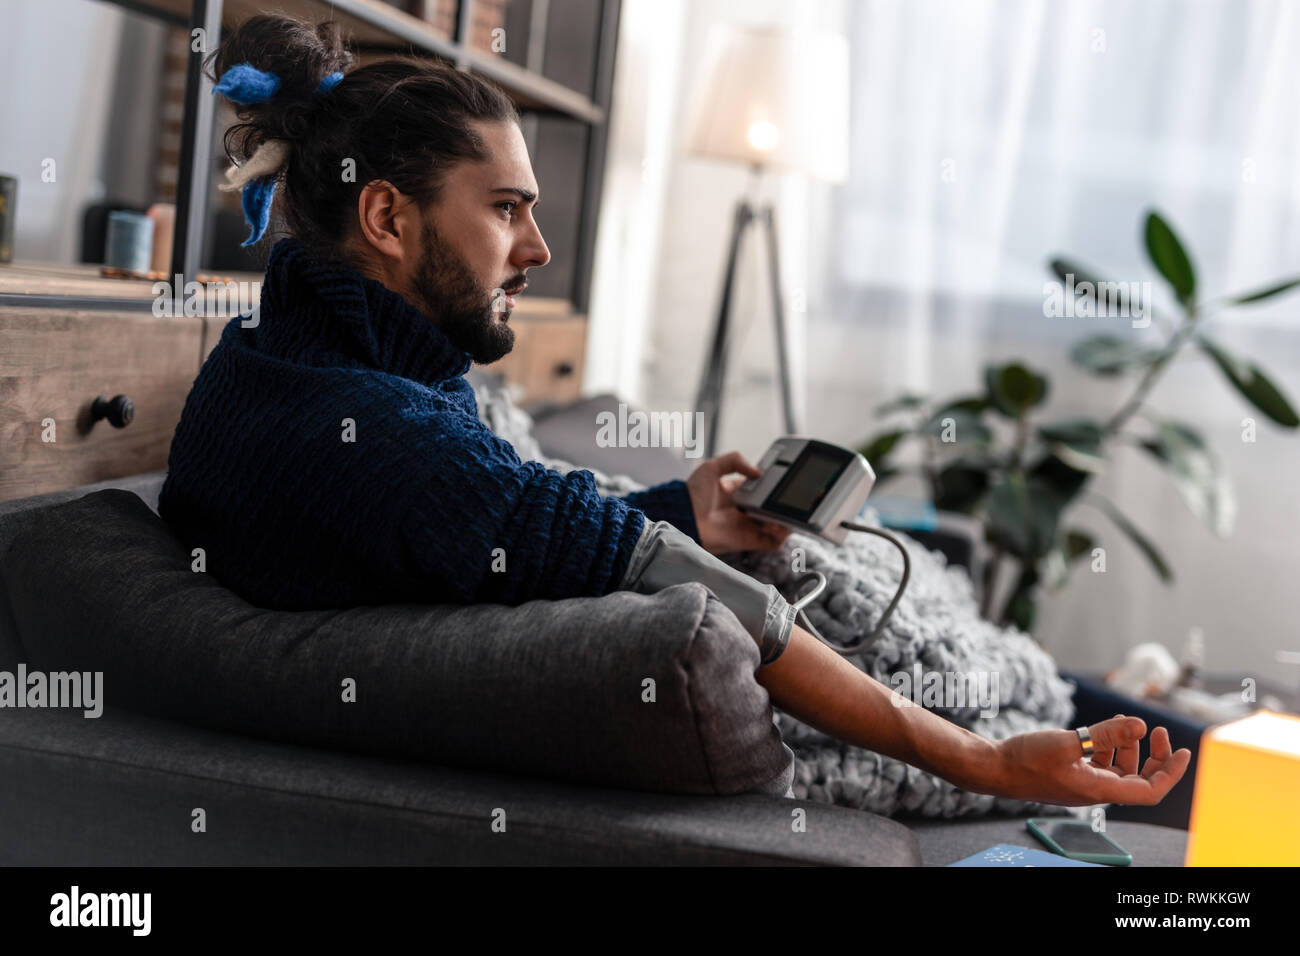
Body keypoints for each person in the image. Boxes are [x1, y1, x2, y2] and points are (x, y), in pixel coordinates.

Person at [161, 14, 1191, 812]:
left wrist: (678, 509)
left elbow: (505, 528)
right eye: (506, 208)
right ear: (386, 215)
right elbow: (661, 577)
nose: (536, 250)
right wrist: (983, 758)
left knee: (1117, 710)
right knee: (1166, 756)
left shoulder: (270, 360)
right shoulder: (372, 434)